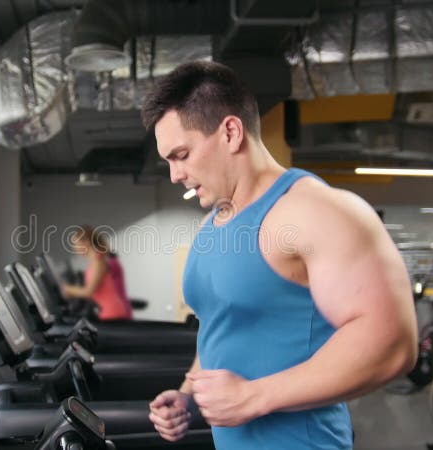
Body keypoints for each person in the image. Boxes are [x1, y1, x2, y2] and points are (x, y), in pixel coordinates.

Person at [141, 60, 417, 449]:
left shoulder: (315, 211)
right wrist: (188, 392)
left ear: (231, 132)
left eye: (181, 155)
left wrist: (254, 396)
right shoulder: (212, 226)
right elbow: (225, 325)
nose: (174, 175)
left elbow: (392, 344)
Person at [60, 225, 133, 321]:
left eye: (76, 244)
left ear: (86, 243)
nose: (74, 249)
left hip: (113, 313)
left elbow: (89, 291)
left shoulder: (98, 260)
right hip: (108, 311)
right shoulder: (96, 260)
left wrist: (67, 289)